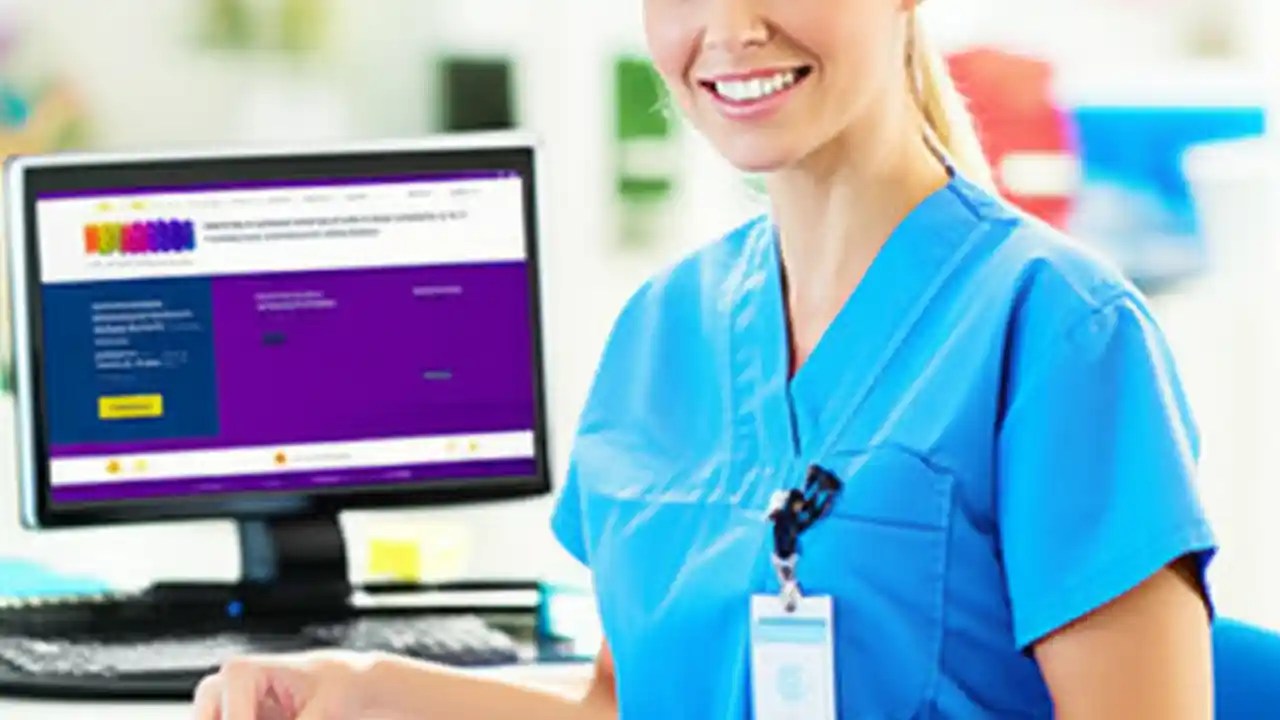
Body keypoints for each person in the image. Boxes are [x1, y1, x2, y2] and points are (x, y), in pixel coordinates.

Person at [192, 0, 1219, 717]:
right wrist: (361, 692)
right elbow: (620, 707)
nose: (729, 28)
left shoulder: (1058, 332)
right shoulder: (660, 330)